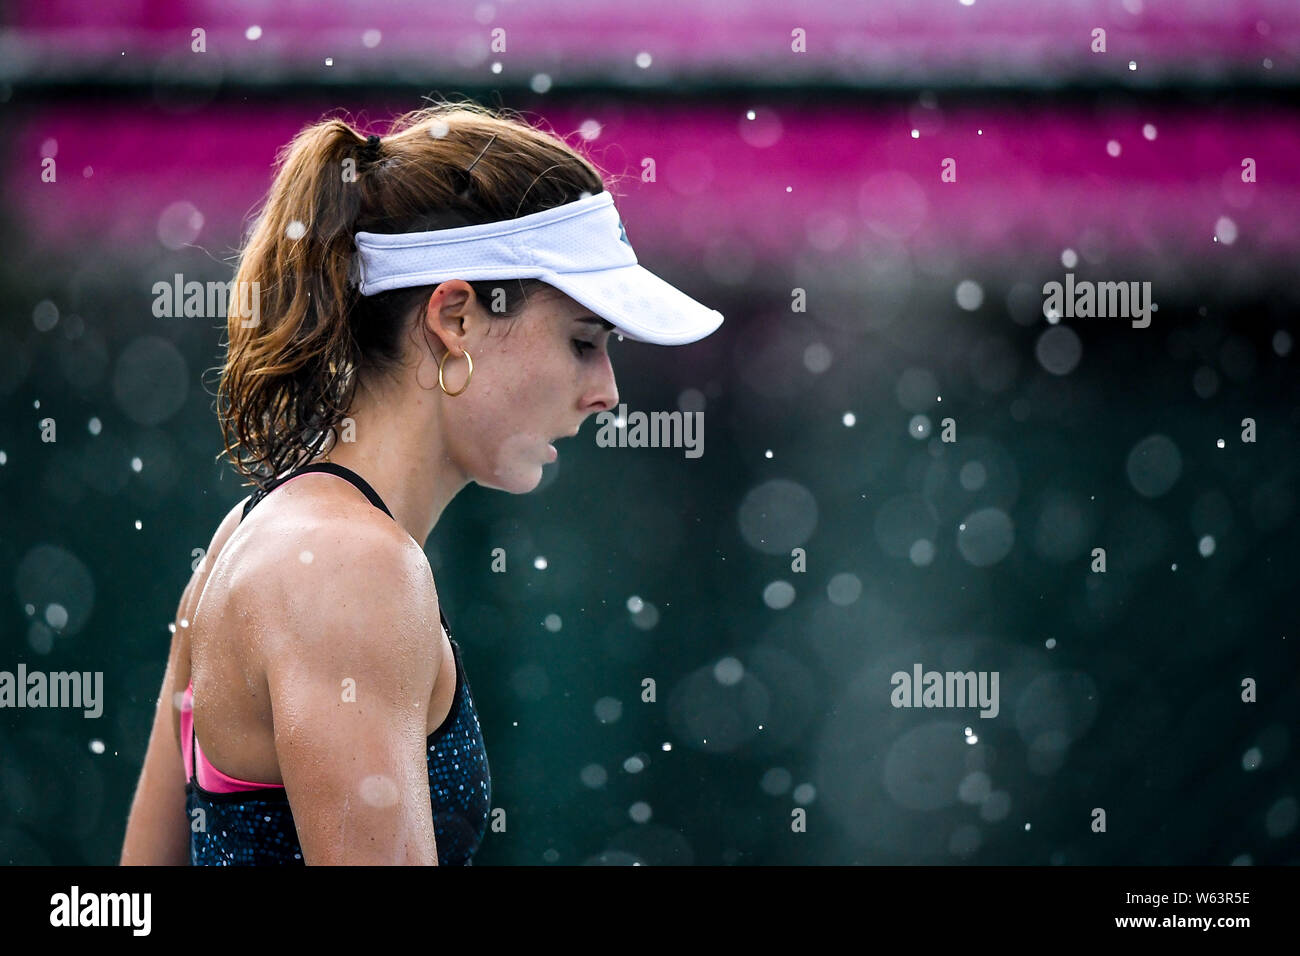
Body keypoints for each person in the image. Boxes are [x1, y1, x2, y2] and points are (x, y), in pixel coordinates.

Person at [119, 99, 724, 865]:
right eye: (582, 342)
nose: (607, 392)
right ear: (456, 319)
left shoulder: (245, 534)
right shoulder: (349, 569)